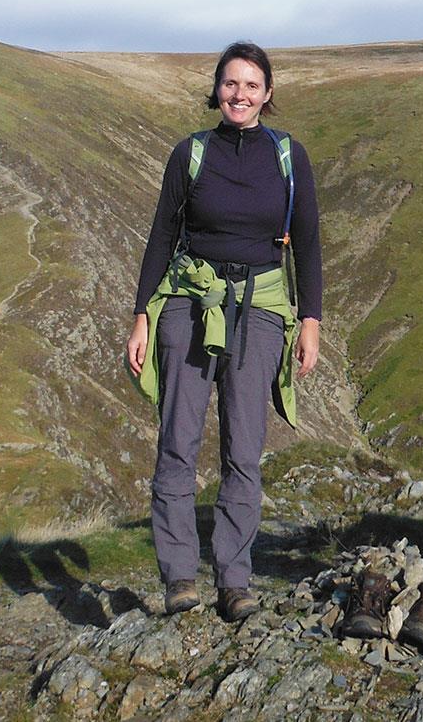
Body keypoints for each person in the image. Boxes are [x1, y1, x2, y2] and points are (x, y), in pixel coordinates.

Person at [126, 41, 322, 622]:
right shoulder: (189, 153)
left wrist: (309, 322)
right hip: (189, 304)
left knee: (243, 450)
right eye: (230, 84)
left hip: (260, 308)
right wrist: (141, 315)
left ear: (267, 94)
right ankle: (180, 577)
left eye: (251, 85)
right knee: (177, 442)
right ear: (216, 89)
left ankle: (235, 581)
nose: (240, 94)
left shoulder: (289, 156)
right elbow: (161, 236)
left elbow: (308, 242)